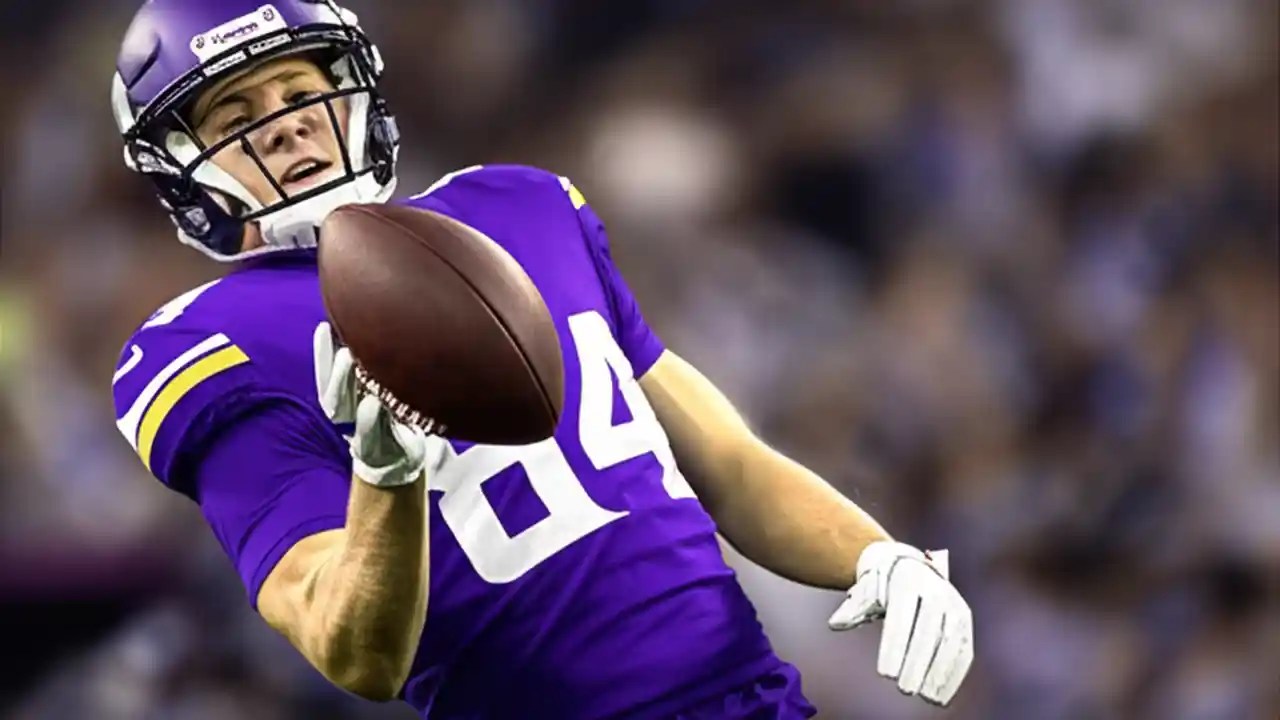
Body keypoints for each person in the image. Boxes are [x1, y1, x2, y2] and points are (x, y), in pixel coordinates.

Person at [109, 1, 974, 717]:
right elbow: (352, 651)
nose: (287, 130)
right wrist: (384, 474)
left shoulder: (521, 207)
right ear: (181, 166)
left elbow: (725, 462)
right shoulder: (207, 345)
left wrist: (875, 553)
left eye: (299, 90)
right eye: (238, 117)